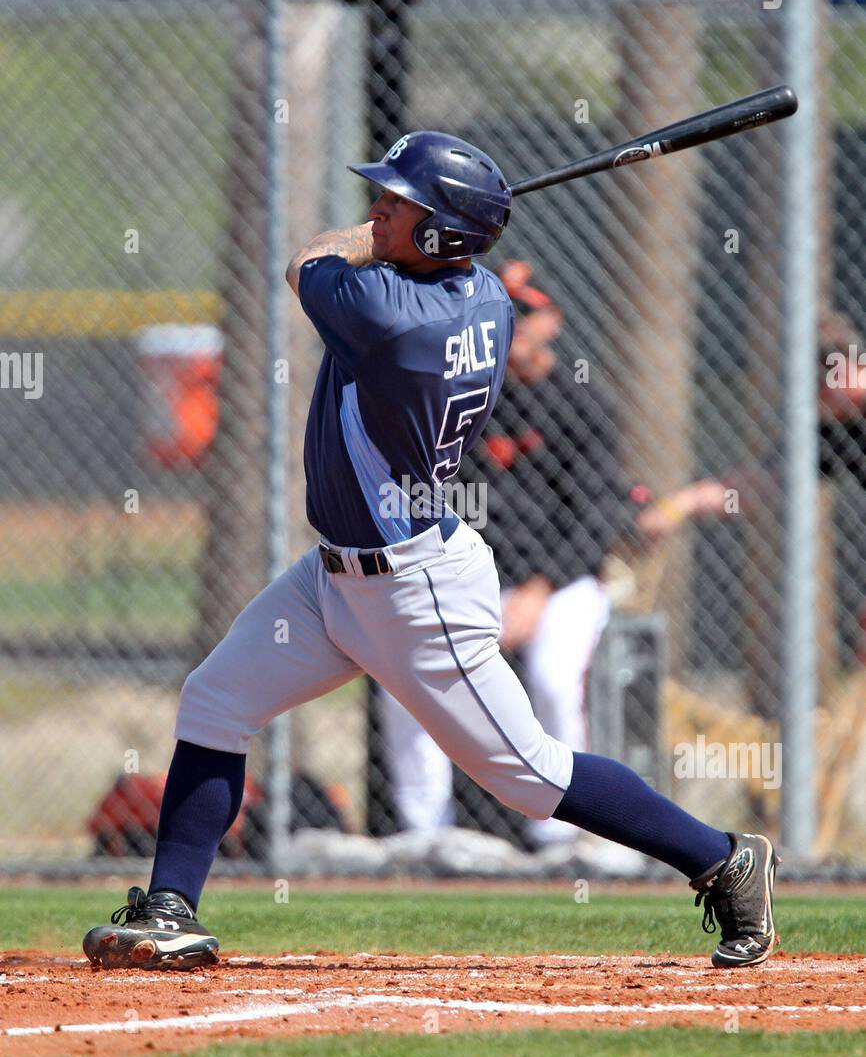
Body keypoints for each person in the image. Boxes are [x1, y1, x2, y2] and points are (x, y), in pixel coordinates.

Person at [82, 131, 778, 972]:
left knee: (529, 776)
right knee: (215, 703)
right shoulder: (483, 296)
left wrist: (385, 234)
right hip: (335, 578)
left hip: (416, 593)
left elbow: (306, 260)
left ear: (446, 236)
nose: (376, 211)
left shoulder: (389, 315)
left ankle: (724, 861)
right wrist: (426, 223)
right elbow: (409, 260)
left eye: (396, 203)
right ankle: (171, 911)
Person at [380, 257, 730, 847]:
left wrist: (539, 591)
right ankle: (426, 834)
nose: (511, 325)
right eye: (500, 313)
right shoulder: (460, 395)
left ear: (554, 323)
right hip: (478, 576)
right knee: (410, 667)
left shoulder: (580, 402)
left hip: (567, 581)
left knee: (550, 672)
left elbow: (596, 517)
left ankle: (562, 839)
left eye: (525, 313)